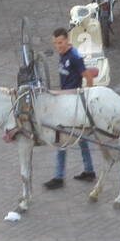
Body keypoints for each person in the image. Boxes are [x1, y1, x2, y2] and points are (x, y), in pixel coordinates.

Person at [44, 28, 97, 190]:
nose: (57, 46)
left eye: (60, 42)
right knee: (81, 137)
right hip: (64, 100)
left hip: (71, 102)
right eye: (55, 43)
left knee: (61, 138)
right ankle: (89, 170)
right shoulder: (63, 54)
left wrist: (86, 95)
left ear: (67, 40)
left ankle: (59, 177)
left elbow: (88, 77)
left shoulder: (74, 57)